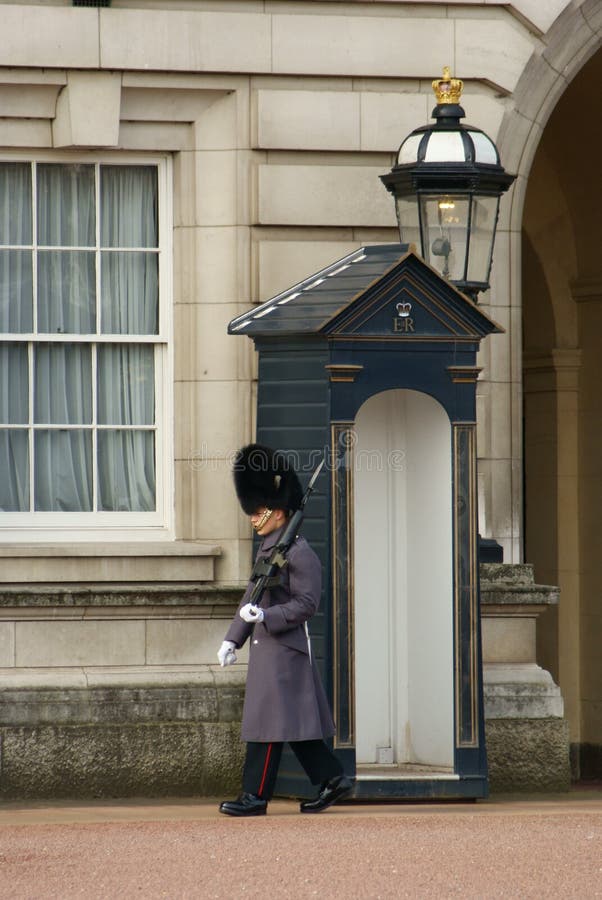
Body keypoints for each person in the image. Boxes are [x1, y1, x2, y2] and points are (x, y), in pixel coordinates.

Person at [217, 443, 353, 817]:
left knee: (268, 725)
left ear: (278, 512)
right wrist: (233, 638)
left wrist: (268, 618)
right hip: (268, 649)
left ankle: (255, 796)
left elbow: (307, 604)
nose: (253, 518)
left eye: (258, 512)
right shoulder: (268, 550)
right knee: (295, 725)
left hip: (286, 649)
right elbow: (251, 596)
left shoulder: (299, 552)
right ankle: (333, 779)